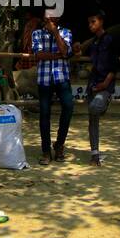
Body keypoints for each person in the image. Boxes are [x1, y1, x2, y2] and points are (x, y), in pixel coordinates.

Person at [76, 9, 117, 166]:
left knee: (94, 108)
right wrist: (76, 48)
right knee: (92, 120)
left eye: (93, 21)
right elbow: (79, 55)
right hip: (93, 84)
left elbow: (114, 65)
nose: (90, 25)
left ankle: (105, 103)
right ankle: (95, 155)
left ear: (101, 22)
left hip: (104, 85)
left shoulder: (110, 40)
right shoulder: (93, 43)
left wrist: (106, 84)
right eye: (89, 22)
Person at [31, 9, 73, 165]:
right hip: (44, 78)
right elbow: (39, 55)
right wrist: (58, 55)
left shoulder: (66, 32)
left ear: (58, 16)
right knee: (44, 114)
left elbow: (65, 50)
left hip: (62, 77)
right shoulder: (37, 34)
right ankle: (46, 151)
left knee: (69, 107)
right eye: (47, 14)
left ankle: (59, 144)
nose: (49, 18)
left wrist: (56, 33)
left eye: (52, 14)